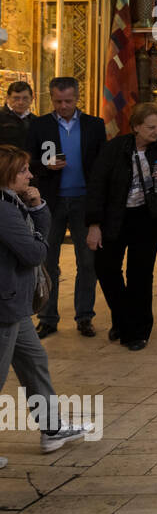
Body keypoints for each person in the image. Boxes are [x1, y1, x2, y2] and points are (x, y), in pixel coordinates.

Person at [0, 144, 87, 470]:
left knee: (35, 362)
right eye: (23, 170)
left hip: (14, 304)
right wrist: (37, 216)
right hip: (5, 304)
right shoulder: (4, 209)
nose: (30, 175)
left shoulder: (12, 202)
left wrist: (35, 207)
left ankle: (52, 428)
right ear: (9, 174)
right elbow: (36, 253)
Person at [86, 102, 157, 351]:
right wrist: (94, 224)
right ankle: (123, 317)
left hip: (148, 217)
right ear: (136, 127)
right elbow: (97, 185)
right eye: (150, 127)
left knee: (140, 274)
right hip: (115, 216)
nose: (156, 132)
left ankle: (138, 331)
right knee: (105, 268)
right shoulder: (115, 148)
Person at [27, 77, 106, 339]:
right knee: (48, 260)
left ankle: (84, 316)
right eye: (58, 101)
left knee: (87, 261)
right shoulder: (39, 125)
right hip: (51, 200)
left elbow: (101, 165)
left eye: (68, 101)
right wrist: (44, 166)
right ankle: (48, 317)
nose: (63, 106)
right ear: (51, 99)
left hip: (84, 200)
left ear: (77, 98)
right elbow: (27, 162)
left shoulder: (94, 125)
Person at [0, 80, 35, 149]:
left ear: (31, 99)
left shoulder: (35, 120)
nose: (20, 102)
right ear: (8, 98)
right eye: (16, 98)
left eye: (25, 98)